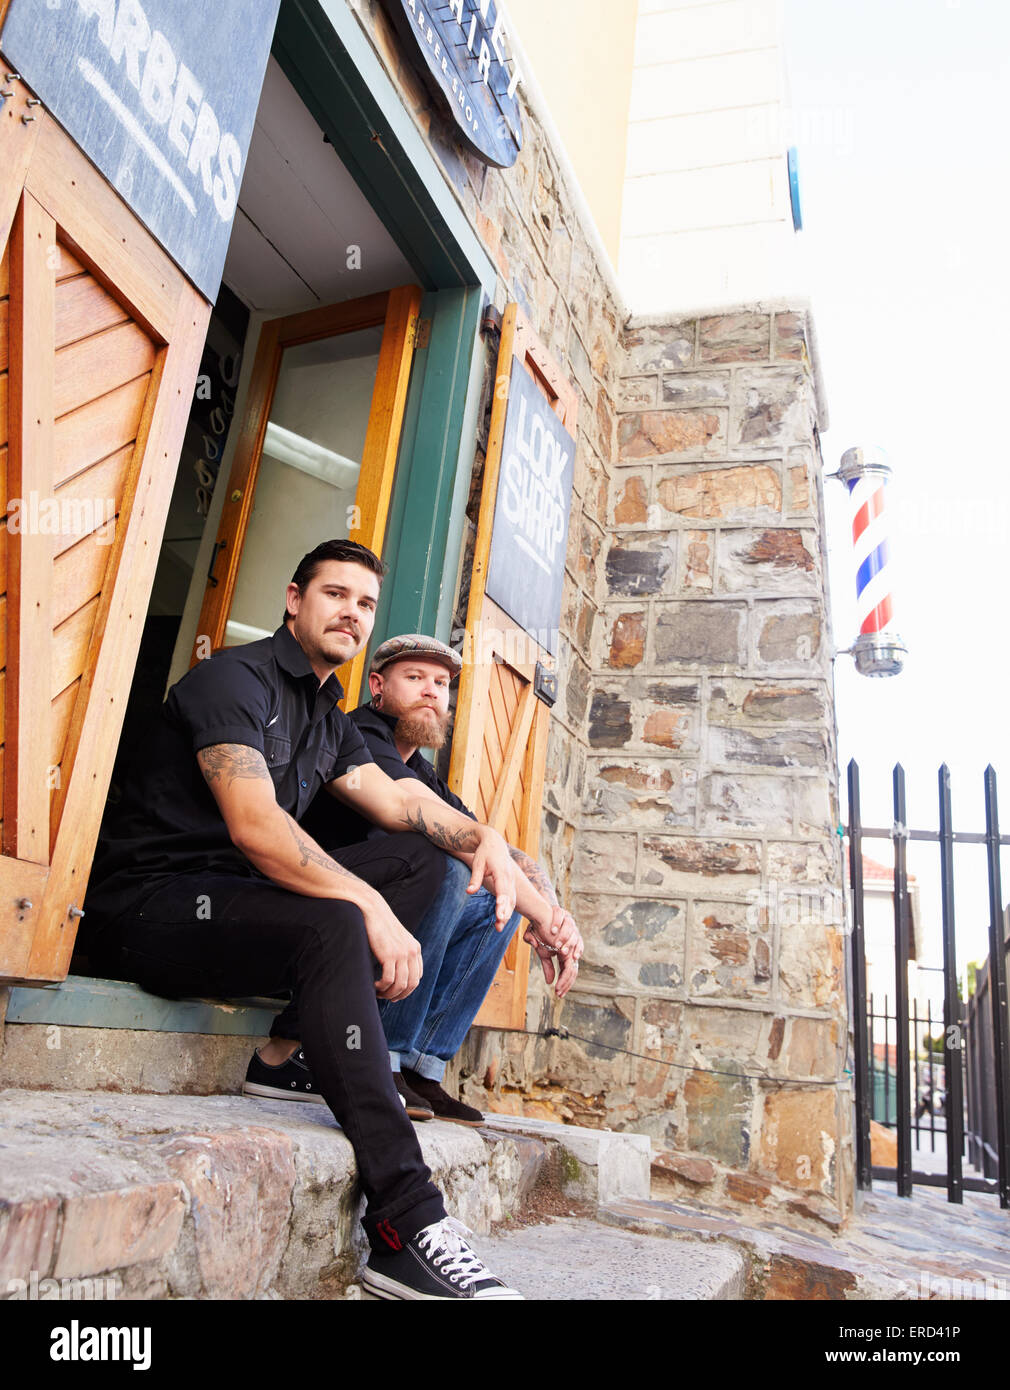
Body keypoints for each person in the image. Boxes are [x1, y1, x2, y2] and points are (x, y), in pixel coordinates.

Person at [81, 538, 524, 1300]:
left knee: (424, 857)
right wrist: (366, 901)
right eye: (335, 595)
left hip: (241, 909)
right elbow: (256, 826)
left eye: (365, 604)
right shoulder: (232, 680)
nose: (351, 613)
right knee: (339, 921)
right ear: (294, 600)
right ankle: (406, 1221)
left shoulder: (329, 716)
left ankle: (286, 1053)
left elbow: (401, 803)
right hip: (154, 906)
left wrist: (488, 840)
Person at [287, 632, 584, 1125]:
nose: (431, 691)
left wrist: (551, 916)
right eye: (416, 677)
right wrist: (539, 912)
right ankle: (381, 1053)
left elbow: (504, 853)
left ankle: (422, 1066)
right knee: (447, 867)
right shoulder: (359, 733)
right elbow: (440, 830)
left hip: (376, 904)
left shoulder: (422, 769)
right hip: (319, 896)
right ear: (378, 686)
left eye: (442, 682)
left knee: (497, 899)